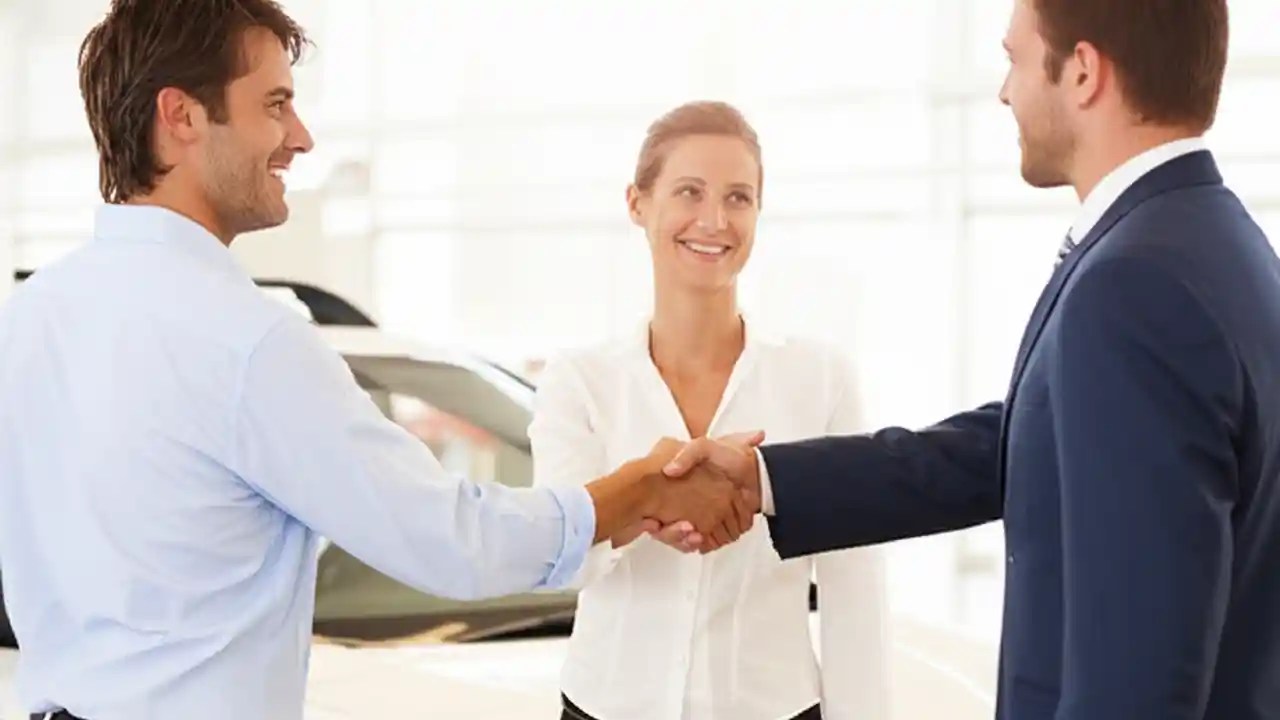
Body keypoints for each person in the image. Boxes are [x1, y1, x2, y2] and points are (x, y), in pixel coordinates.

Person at [0, 3, 755, 719]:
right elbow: (454, 540)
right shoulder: (246, 343)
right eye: (274, 104)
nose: (300, 137)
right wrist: (642, 487)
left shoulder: (30, 318)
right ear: (182, 117)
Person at [664, 1, 1280, 718]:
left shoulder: (1132, 283)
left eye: (1015, 59)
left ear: (1082, 73)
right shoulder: (1216, 242)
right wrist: (769, 478)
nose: (1004, 90)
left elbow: (1134, 677)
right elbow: (1019, 441)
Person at [529, 101, 890, 720]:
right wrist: (649, 499)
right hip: (607, 705)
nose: (714, 220)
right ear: (637, 204)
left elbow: (854, 585)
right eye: (689, 192)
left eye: (738, 198)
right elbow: (558, 556)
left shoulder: (821, 378)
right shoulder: (578, 380)